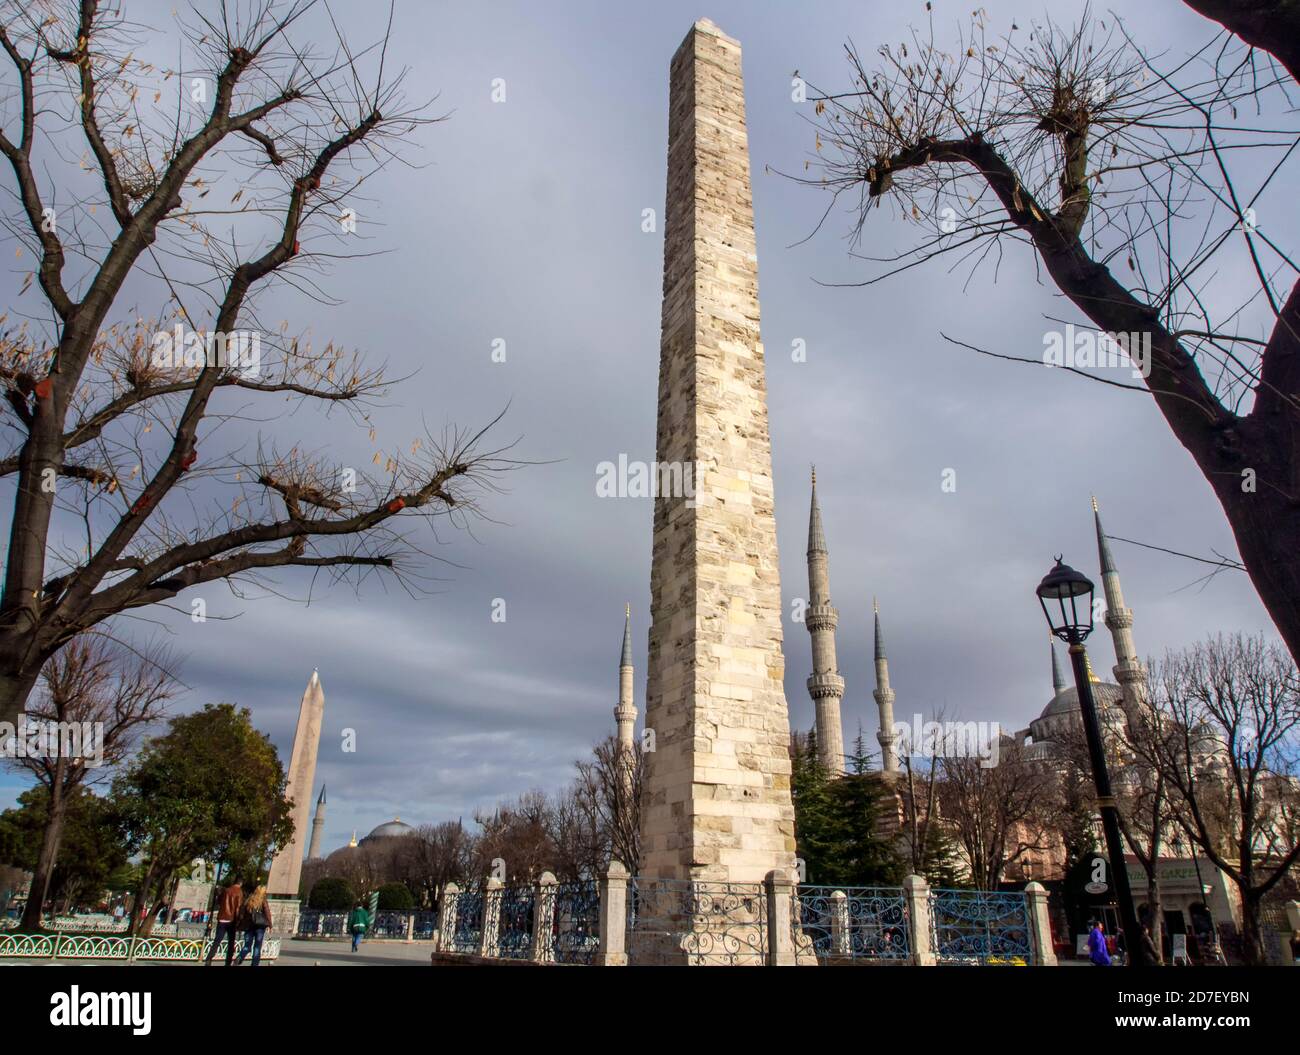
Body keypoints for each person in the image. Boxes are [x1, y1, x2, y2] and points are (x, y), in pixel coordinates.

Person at [204, 881, 244, 967]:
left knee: (217, 940)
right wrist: (238, 921)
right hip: (231, 920)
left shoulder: (226, 890)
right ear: (241, 883)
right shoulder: (239, 892)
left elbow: (219, 902)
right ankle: (228, 962)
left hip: (222, 918)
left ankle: (209, 959)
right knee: (231, 942)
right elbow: (238, 908)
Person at [235, 885, 273, 967]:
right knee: (257, 947)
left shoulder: (249, 899)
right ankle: (254, 964)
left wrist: (240, 924)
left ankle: (240, 957)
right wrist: (270, 925)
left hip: (249, 926)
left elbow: (242, 913)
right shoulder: (263, 901)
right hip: (260, 927)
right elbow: (267, 913)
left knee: (247, 946)